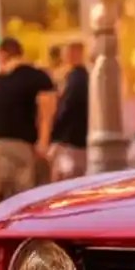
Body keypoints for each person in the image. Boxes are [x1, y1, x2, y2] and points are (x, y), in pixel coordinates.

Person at [0, 38, 56, 219]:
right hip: (23, 145)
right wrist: (43, 142)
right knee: (24, 196)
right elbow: (46, 113)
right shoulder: (39, 77)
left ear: (3, 54)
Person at [49, 41, 89, 181]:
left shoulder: (75, 79)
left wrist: (55, 134)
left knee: (65, 180)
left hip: (71, 141)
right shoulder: (85, 76)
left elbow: (67, 107)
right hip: (80, 140)